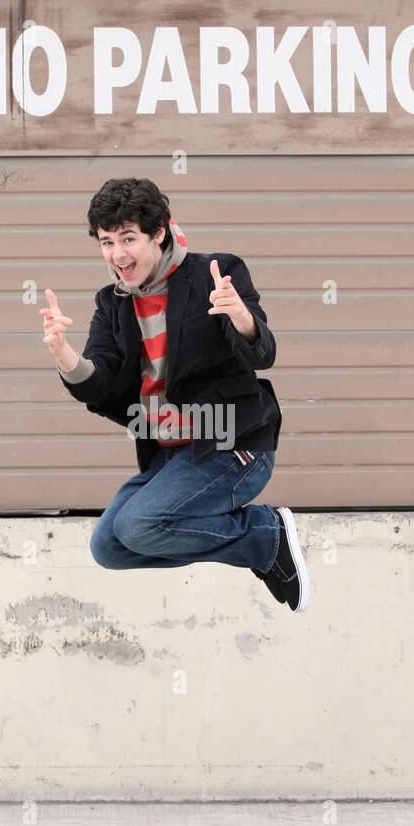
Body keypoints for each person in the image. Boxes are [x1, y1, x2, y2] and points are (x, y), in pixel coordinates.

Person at [39, 177, 310, 612]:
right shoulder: (113, 304)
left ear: (159, 233)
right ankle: (261, 543)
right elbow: (101, 380)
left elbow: (263, 353)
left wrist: (240, 315)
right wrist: (63, 354)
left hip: (230, 444)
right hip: (173, 456)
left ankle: (266, 532)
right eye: (107, 243)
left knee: (140, 524)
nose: (118, 255)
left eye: (128, 239)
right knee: (110, 547)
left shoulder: (215, 274)